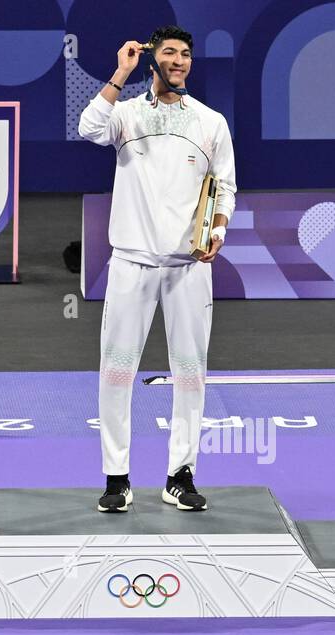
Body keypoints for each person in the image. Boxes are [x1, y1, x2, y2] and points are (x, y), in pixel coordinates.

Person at [78, 25, 237, 513]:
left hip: (189, 267)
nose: (180, 61)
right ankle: (116, 477)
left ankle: (180, 474)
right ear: (153, 63)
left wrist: (217, 230)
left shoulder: (211, 122)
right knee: (117, 371)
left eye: (186, 54)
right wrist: (120, 71)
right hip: (131, 262)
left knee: (190, 373)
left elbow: (225, 188)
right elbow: (87, 127)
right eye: (170, 53)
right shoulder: (125, 114)